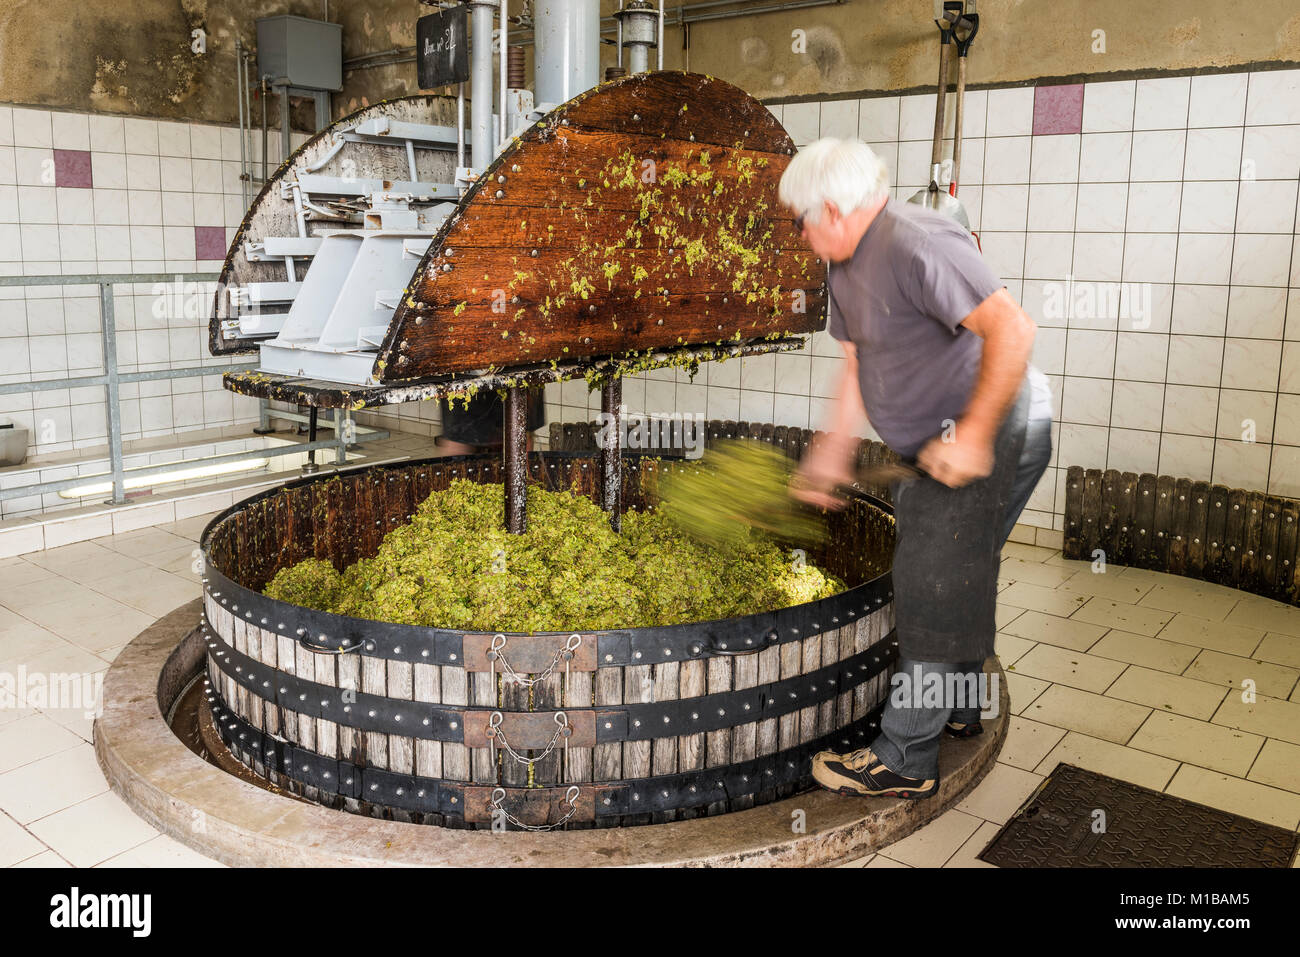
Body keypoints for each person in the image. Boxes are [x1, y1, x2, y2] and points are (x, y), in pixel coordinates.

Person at [781, 137, 1045, 799]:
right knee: (957, 568)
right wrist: (832, 451)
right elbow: (855, 363)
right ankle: (958, 704)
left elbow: (1013, 328)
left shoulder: (915, 241)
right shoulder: (845, 264)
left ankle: (904, 756)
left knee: (931, 579)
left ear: (836, 209)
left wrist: (975, 435)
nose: (801, 234)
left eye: (801, 220)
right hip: (935, 439)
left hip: (997, 426)